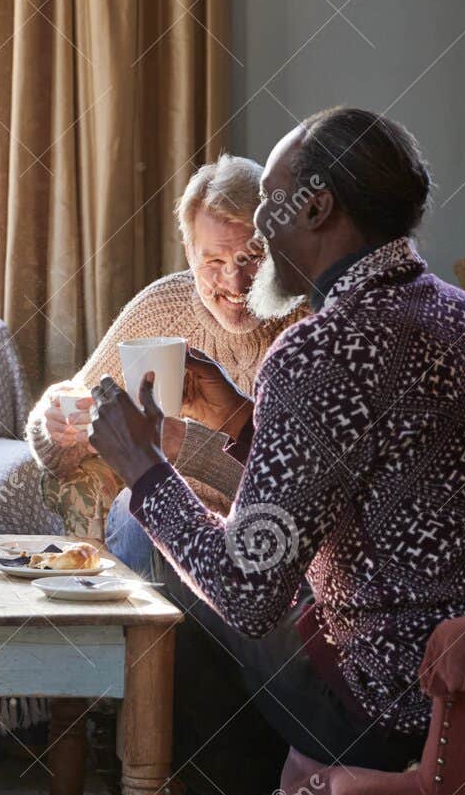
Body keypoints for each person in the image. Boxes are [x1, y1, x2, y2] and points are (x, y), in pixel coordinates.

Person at [88, 106, 465, 795]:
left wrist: (142, 468)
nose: (259, 234)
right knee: (176, 540)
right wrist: (241, 418)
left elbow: (249, 593)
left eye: (271, 205)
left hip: (405, 709)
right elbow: (380, 469)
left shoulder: (321, 345)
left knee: (142, 537)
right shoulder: (462, 315)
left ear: (317, 207)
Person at [26, 155, 305, 538]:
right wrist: (55, 427)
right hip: (158, 528)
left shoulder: (311, 327)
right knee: (136, 510)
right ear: (190, 253)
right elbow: (77, 404)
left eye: (252, 257)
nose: (236, 283)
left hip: (261, 541)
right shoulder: (163, 308)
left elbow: (303, 497)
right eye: (214, 260)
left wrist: (188, 446)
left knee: (147, 508)